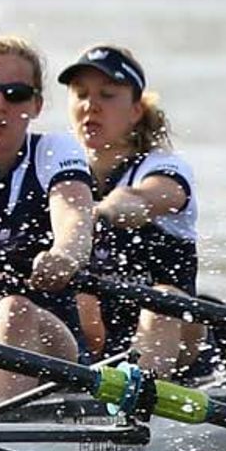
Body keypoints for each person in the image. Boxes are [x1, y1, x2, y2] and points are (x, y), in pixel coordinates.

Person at [0, 36, 96, 403]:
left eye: (15, 94)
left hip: (54, 353)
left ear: (36, 105)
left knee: (12, 311)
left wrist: (65, 254)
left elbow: (74, 216)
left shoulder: (53, 151)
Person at [60, 45, 204, 377]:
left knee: (162, 299)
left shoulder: (163, 167)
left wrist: (102, 212)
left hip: (176, 339)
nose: (91, 105)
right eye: (81, 94)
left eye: (107, 95)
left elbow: (141, 200)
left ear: (136, 110)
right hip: (95, 337)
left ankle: (143, 397)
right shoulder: (62, 173)